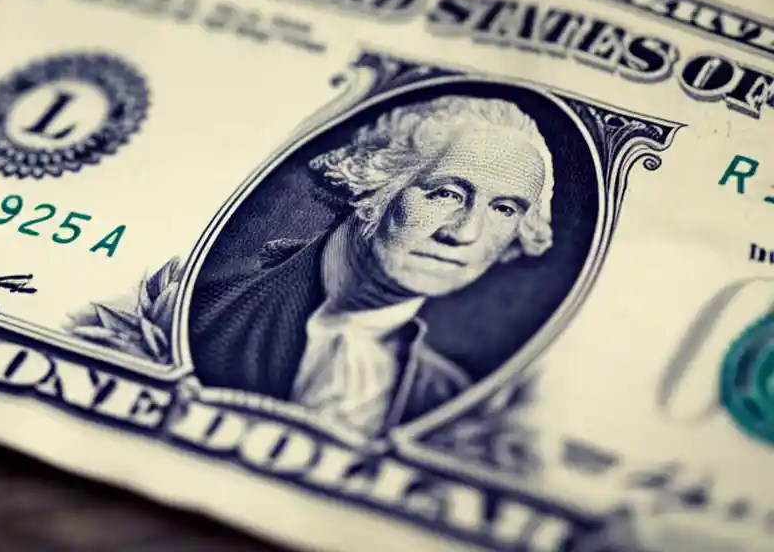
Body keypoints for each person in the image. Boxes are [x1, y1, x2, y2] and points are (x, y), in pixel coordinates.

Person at [188, 95, 555, 437]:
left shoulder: (448, 398)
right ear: (375, 184)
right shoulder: (204, 313)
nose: (464, 233)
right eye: (446, 193)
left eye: (504, 209)